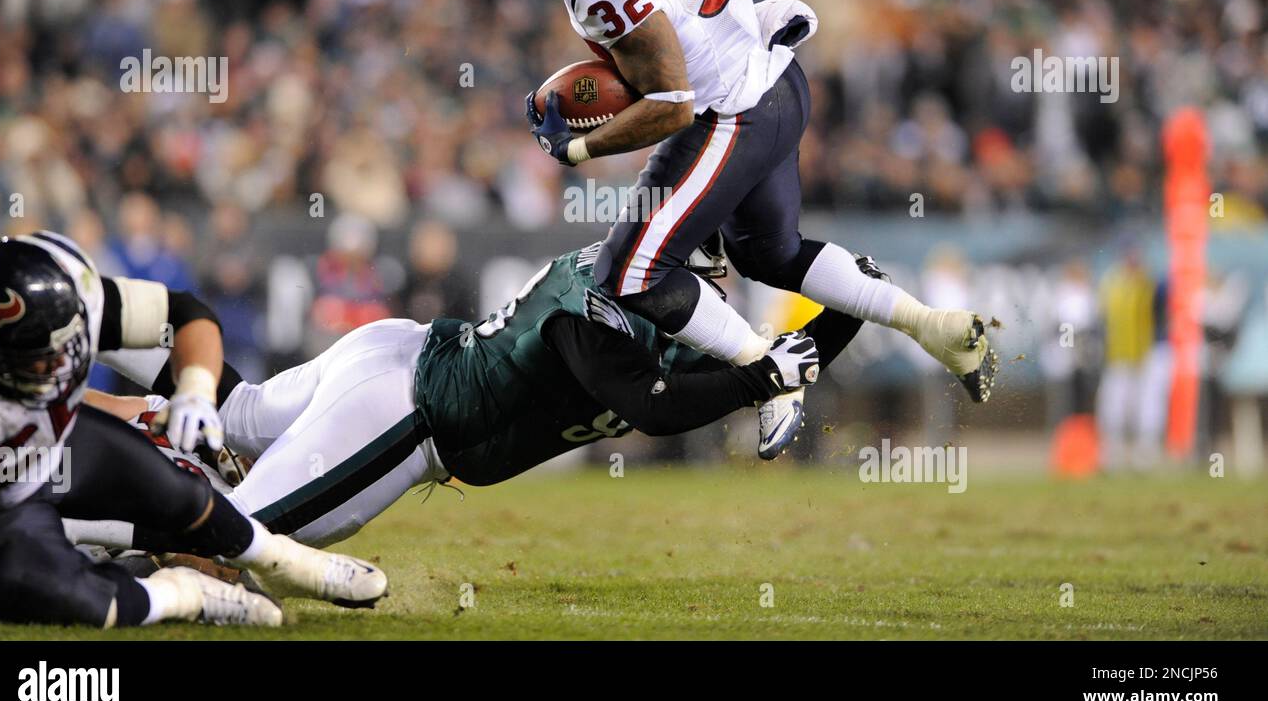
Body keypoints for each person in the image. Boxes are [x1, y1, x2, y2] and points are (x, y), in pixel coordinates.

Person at [474, 0, 996, 459]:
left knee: (630, 272)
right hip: (771, 73)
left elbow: (671, 103)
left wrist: (580, 148)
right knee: (770, 252)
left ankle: (770, 367)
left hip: (732, 112)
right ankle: (932, 326)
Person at [71, 244, 868, 550]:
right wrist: (766, 374)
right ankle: (41, 507)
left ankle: (66, 327)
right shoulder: (602, 305)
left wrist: (856, 306)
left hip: (401, 356)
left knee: (238, 420)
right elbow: (659, 407)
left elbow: (731, 377)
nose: (716, 298)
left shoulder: (656, 301)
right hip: (410, 410)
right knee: (236, 541)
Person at [0, 231, 388, 627]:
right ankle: (183, 595)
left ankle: (287, 563)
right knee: (77, 601)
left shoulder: (69, 288)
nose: (58, 367)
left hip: (57, 449)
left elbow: (186, 314)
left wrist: (195, 393)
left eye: (63, 350)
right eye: (37, 360)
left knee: (176, 493)